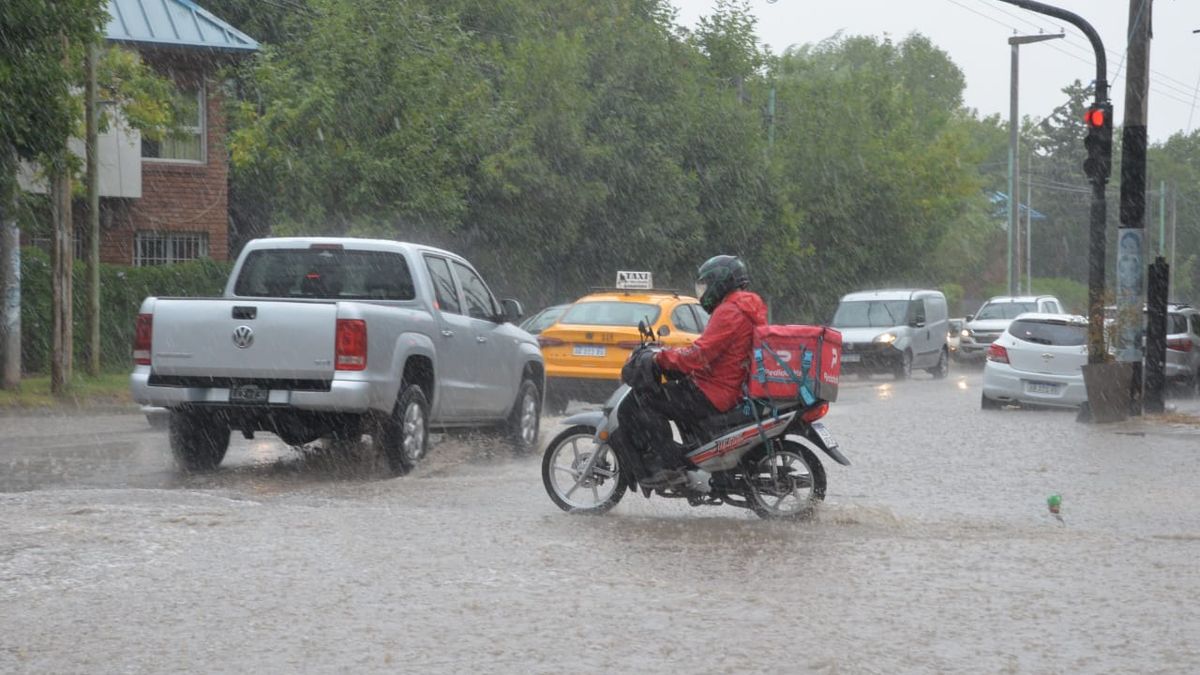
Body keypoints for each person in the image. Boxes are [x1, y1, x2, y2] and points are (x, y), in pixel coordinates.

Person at [617, 255, 767, 486]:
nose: (703, 292)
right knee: (670, 395)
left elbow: (700, 354)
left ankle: (668, 466)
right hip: (726, 387)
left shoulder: (729, 311)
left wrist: (660, 358)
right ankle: (688, 457)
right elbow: (712, 349)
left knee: (643, 401)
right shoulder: (746, 307)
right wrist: (672, 354)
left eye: (706, 285)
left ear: (720, 282)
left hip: (712, 391)